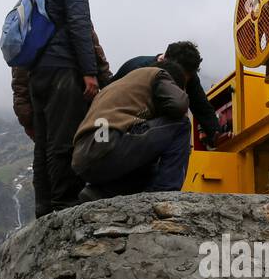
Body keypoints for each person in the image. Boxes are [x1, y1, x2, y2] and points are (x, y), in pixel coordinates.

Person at [28, 0, 108, 216]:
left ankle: (44, 206)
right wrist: (89, 72)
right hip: (63, 70)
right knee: (64, 139)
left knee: (44, 143)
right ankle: (64, 203)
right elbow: (79, 25)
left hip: (38, 73)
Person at [71, 59, 192, 201]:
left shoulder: (116, 87)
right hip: (109, 143)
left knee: (150, 166)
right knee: (182, 125)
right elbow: (179, 103)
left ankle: (101, 191)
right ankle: (165, 195)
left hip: (83, 159)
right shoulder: (158, 74)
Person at [111, 42, 221, 148]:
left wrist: (216, 133)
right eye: (178, 78)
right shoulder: (137, 69)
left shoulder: (189, 75)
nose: (180, 83)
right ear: (165, 63)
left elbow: (202, 107)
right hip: (118, 127)